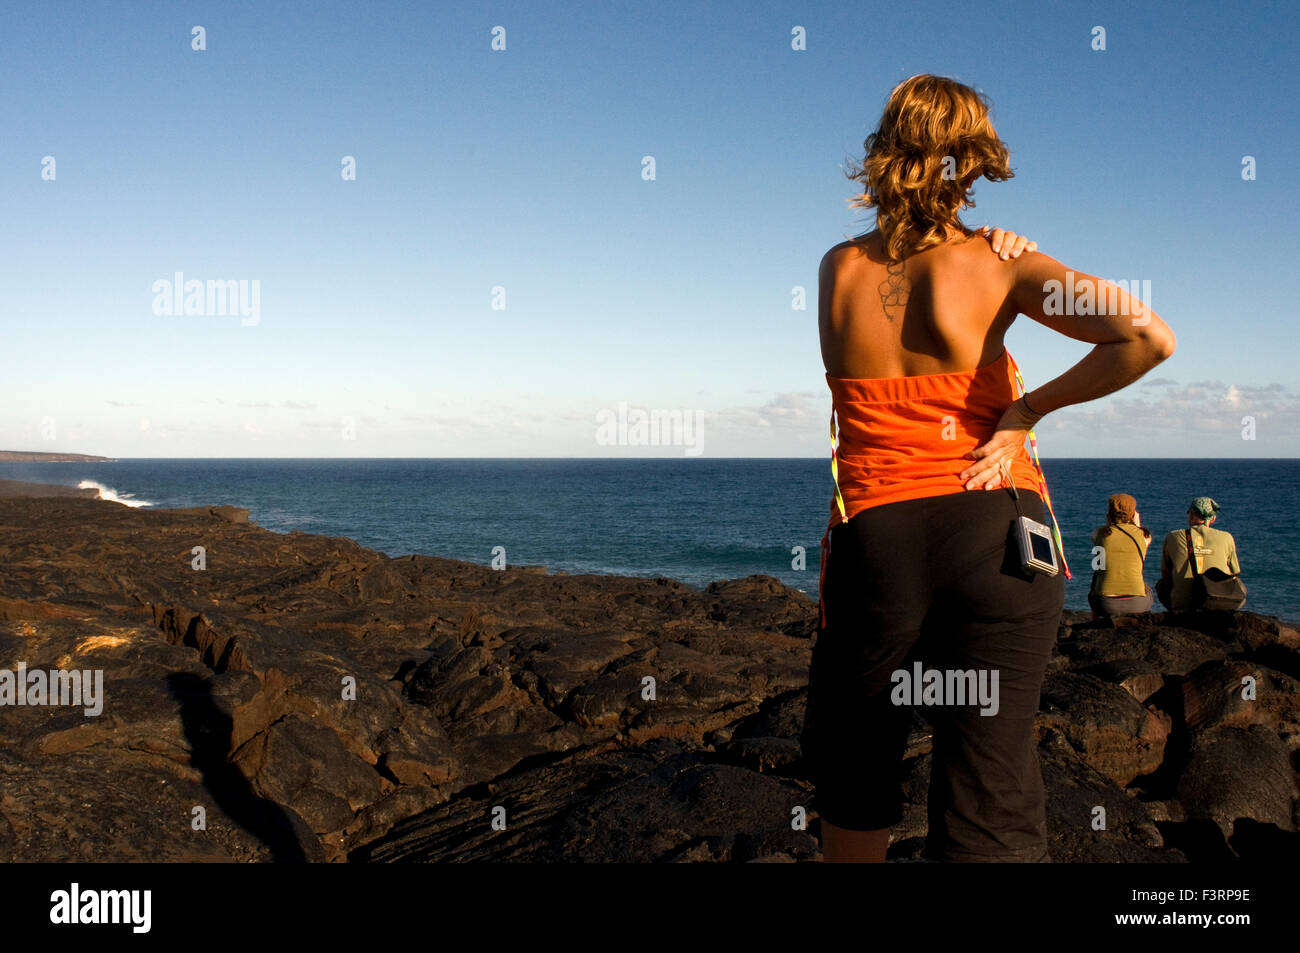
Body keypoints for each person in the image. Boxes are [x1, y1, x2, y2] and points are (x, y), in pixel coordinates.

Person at [799, 73, 1176, 863]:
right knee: (990, 780)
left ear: (885, 150)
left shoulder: (836, 269)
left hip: (876, 536)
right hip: (996, 528)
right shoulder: (1000, 264)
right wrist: (1026, 410)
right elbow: (1146, 337)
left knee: (858, 764)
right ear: (971, 160)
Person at [1157, 497, 1241, 611]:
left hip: (1183, 605)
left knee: (1162, 585)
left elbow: (1165, 573)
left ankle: (1176, 607)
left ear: (1191, 516)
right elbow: (1235, 572)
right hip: (1216, 603)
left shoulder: (1173, 537)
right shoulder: (1227, 537)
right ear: (1213, 518)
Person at [1088, 493, 1154, 617]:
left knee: (1097, 574)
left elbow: (1098, 564)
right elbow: (1140, 538)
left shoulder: (1097, 533)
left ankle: (1095, 619)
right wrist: (1136, 522)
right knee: (1148, 590)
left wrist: (1109, 521)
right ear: (1133, 514)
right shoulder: (1145, 536)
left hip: (1105, 605)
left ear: (1109, 513)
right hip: (1137, 605)